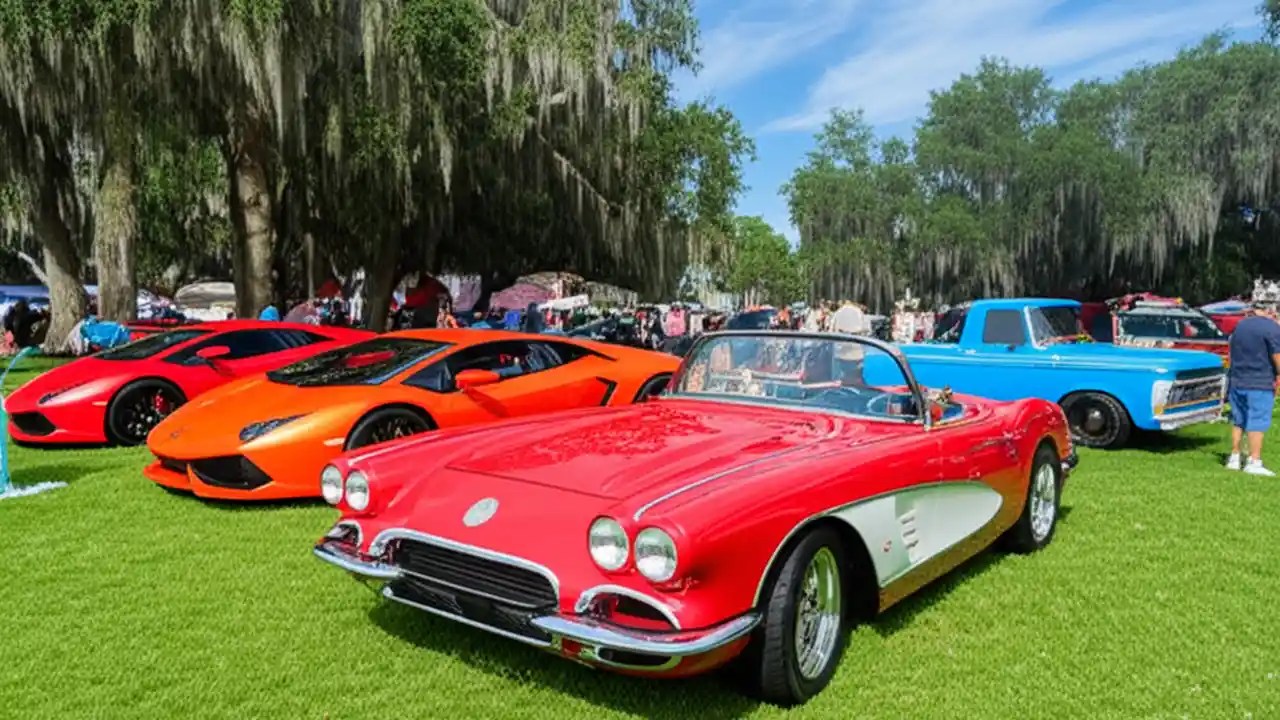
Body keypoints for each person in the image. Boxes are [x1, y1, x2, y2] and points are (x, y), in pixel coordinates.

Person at [1225, 302, 1280, 476]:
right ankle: (1254, 461)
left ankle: (1234, 457)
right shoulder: (1271, 328)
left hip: (1237, 379)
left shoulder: (1239, 326)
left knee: (1238, 419)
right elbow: (1277, 356)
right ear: (1271, 310)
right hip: (1260, 382)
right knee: (1258, 419)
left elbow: (1231, 351)